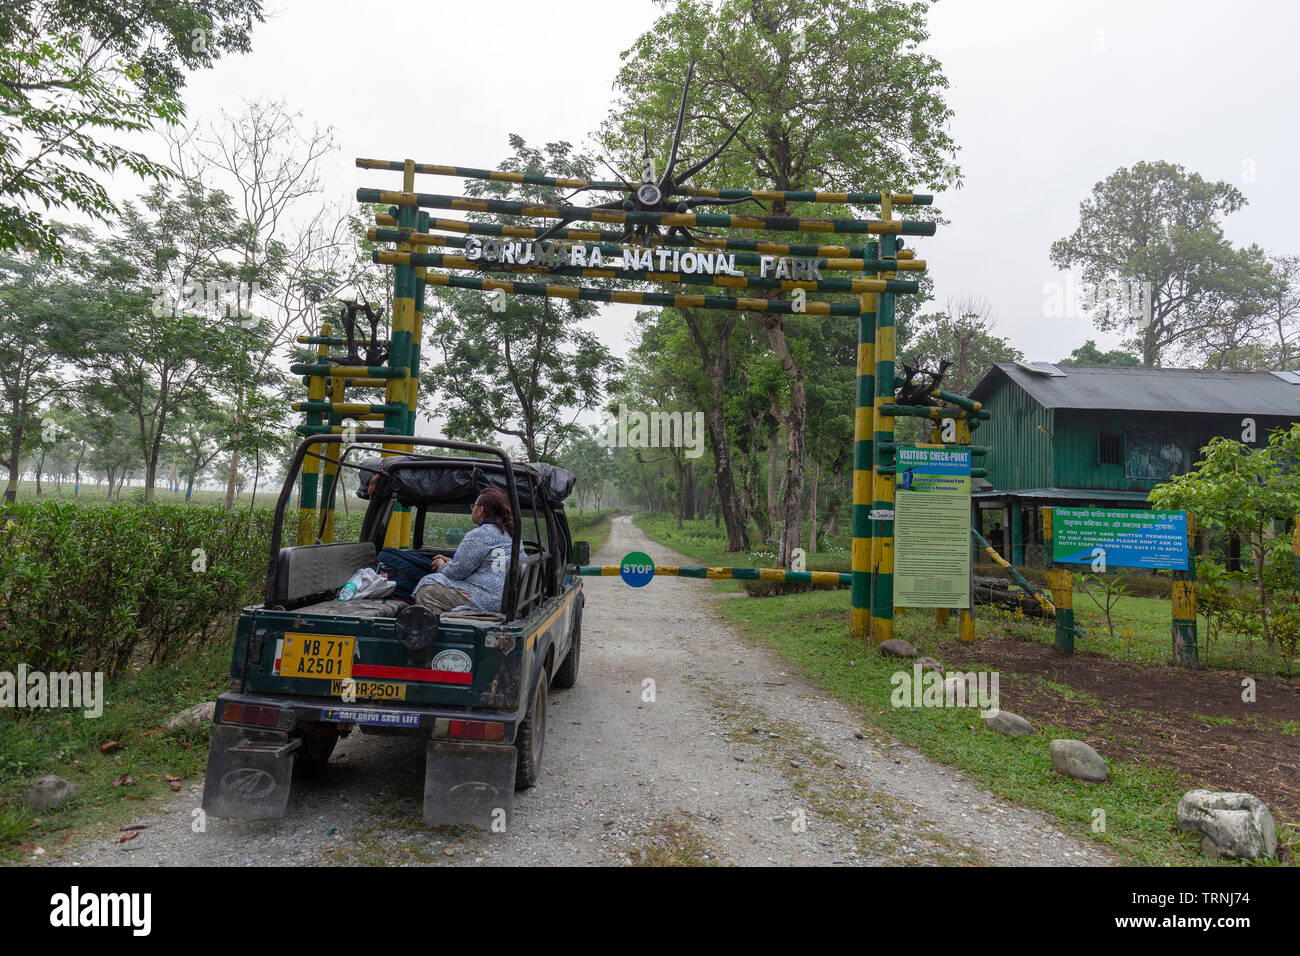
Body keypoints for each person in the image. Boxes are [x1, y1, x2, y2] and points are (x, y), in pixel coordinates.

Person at [410, 487, 513, 614]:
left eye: (473, 506)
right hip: (506, 596)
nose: (472, 509)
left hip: (488, 599)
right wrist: (451, 562)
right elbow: (486, 564)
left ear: (480, 510)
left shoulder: (479, 534)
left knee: (427, 587)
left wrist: (441, 565)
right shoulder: (510, 534)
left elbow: (455, 573)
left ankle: (438, 627)